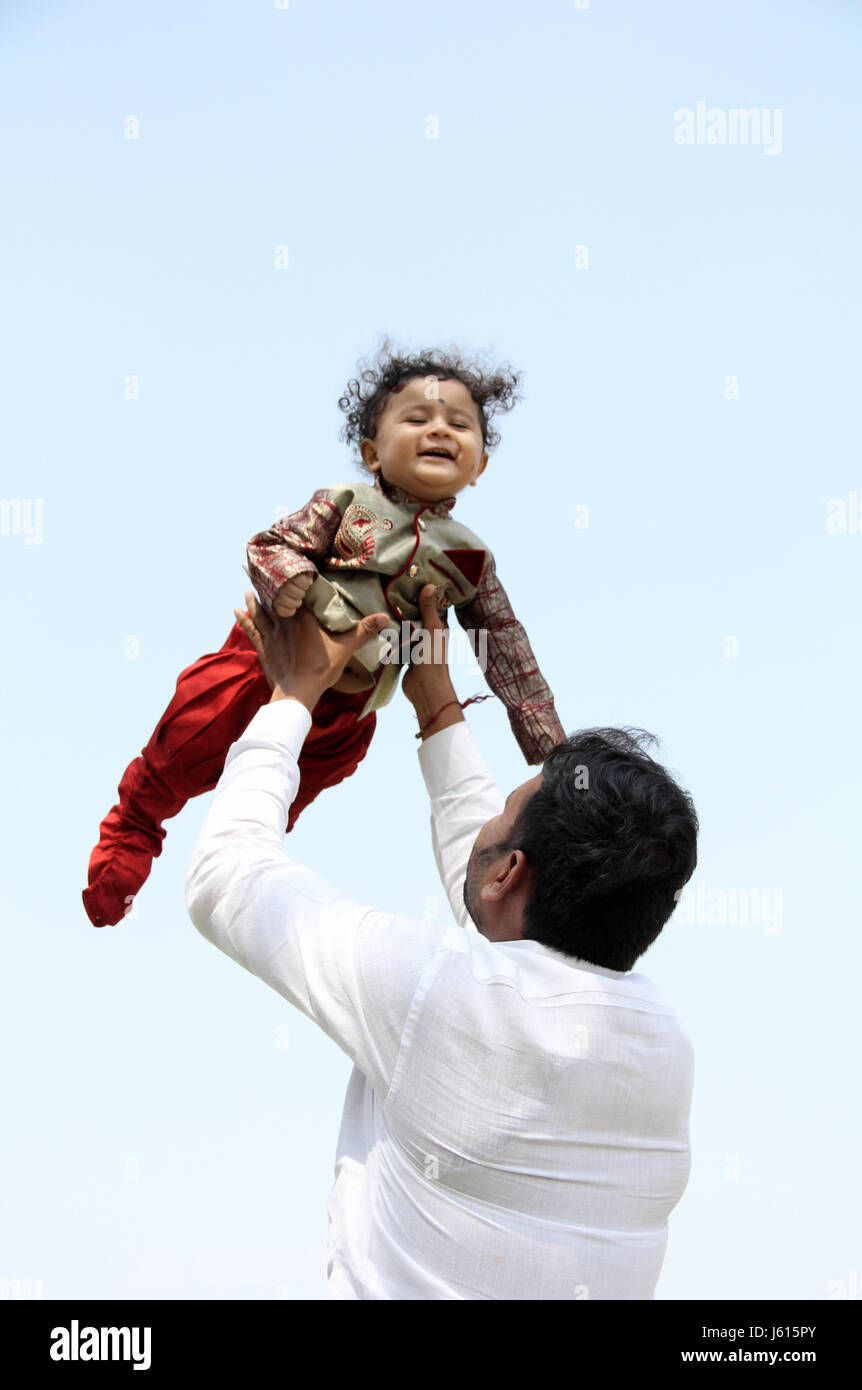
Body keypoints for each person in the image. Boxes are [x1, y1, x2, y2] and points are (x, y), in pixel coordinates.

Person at [185, 581, 699, 1301]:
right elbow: (497, 906)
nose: (489, 818)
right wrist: (437, 706)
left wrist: (293, 692)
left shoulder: (434, 991)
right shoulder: (663, 1049)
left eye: (506, 810)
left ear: (510, 872)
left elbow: (225, 874)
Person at [83, 340, 565, 927]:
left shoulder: (472, 558)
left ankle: (236, 853)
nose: (439, 429)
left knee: (285, 792)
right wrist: (288, 580)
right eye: (417, 418)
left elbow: (509, 652)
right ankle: (135, 827)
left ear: (481, 461)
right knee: (187, 741)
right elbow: (270, 544)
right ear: (372, 452)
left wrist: (554, 754)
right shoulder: (345, 503)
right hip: (265, 667)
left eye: (459, 424)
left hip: (349, 708)